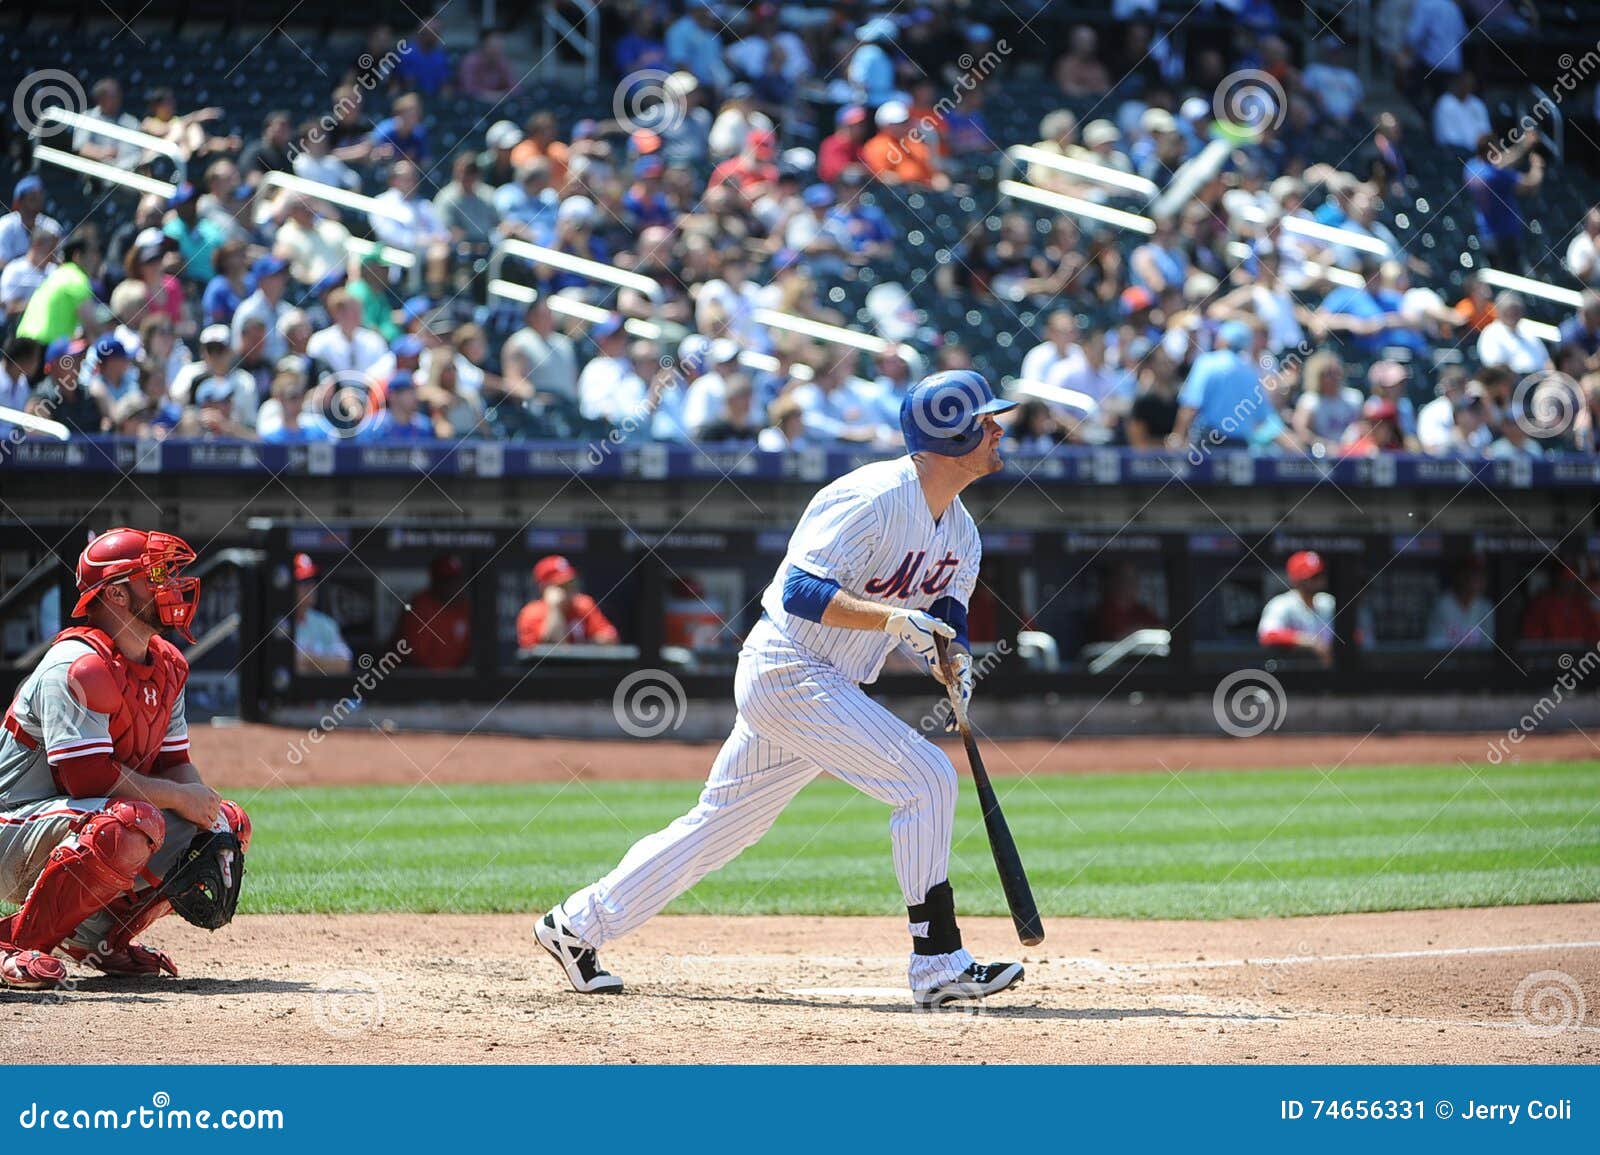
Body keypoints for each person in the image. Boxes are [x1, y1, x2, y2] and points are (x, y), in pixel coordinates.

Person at [537, 370, 1026, 1008]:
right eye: (985, 419)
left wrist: (950, 659)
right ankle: (937, 962)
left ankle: (576, 926)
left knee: (721, 827)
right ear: (947, 434)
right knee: (927, 778)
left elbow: (948, 620)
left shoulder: (962, 532)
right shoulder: (871, 496)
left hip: (828, 684)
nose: (998, 428)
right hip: (788, 666)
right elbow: (801, 591)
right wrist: (893, 621)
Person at [0, 528, 250, 991]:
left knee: (225, 825)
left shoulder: (167, 665)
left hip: (71, 827)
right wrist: (179, 796)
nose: (172, 585)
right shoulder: (76, 664)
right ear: (116, 593)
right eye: (156, 573)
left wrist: (202, 812)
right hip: (11, 826)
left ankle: (99, 939)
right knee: (131, 822)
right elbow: (87, 778)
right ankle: (15, 945)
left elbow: (174, 764)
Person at [517, 555, 620, 648]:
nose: (570, 589)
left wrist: (581, 646)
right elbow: (552, 648)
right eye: (563, 585)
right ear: (545, 588)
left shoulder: (583, 604)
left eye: (571, 582)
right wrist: (555, 608)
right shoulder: (531, 613)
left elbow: (610, 639)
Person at [1258, 551, 1336, 667]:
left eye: (1320, 575)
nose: (1319, 581)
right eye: (1312, 577)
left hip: (1329, 671)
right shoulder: (1281, 603)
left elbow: (1355, 635)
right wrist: (1309, 641)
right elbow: (1268, 635)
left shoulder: (1329, 603)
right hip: (1293, 673)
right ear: (1297, 580)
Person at [395, 554, 472, 670]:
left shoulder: (465, 609)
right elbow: (413, 657)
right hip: (421, 681)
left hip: (455, 680)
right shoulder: (419, 607)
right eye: (447, 580)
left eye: (457, 579)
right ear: (435, 580)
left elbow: (469, 653)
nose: (454, 586)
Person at [16, 233, 97, 345]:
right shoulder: (76, 278)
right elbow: (92, 326)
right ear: (77, 256)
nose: (95, 261)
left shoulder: (55, 275)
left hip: (21, 343)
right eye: (91, 255)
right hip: (43, 346)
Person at [289, 553, 352, 675]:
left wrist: (307, 659)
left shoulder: (325, 624)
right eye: (304, 582)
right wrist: (323, 662)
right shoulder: (277, 623)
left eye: (313, 581)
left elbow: (344, 663)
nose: (311, 587)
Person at [1425, 559, 1495, 652]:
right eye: (1473, 575)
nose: (1479, 580)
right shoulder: (1443, 604)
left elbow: (1489, 644)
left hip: (1478, 662)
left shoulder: (1485, 606)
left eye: (1481, 576)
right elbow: (1434, 643)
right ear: (1461, 576)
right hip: (1448, 663)